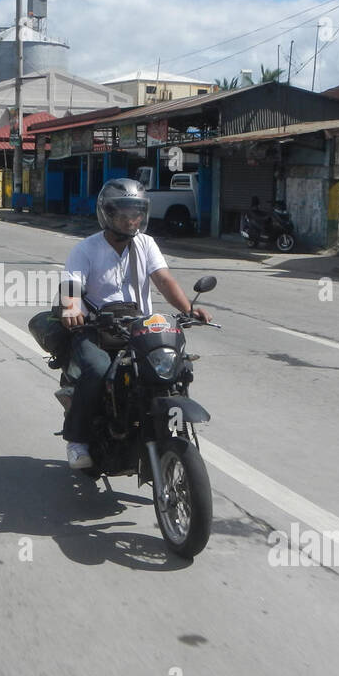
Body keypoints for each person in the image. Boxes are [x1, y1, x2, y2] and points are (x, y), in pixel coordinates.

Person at [57, 178, 212, 470]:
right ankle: (76, 439)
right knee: (98, 369)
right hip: (96, 329)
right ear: (108, 213)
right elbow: (70, 286)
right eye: (125, 212)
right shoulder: (85, 250)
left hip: (139, 327)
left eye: (137, 212)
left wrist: (189, 309)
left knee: (177, 367)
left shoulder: (146, 243)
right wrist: (71, 308)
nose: (132, 219)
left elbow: (164, 280)